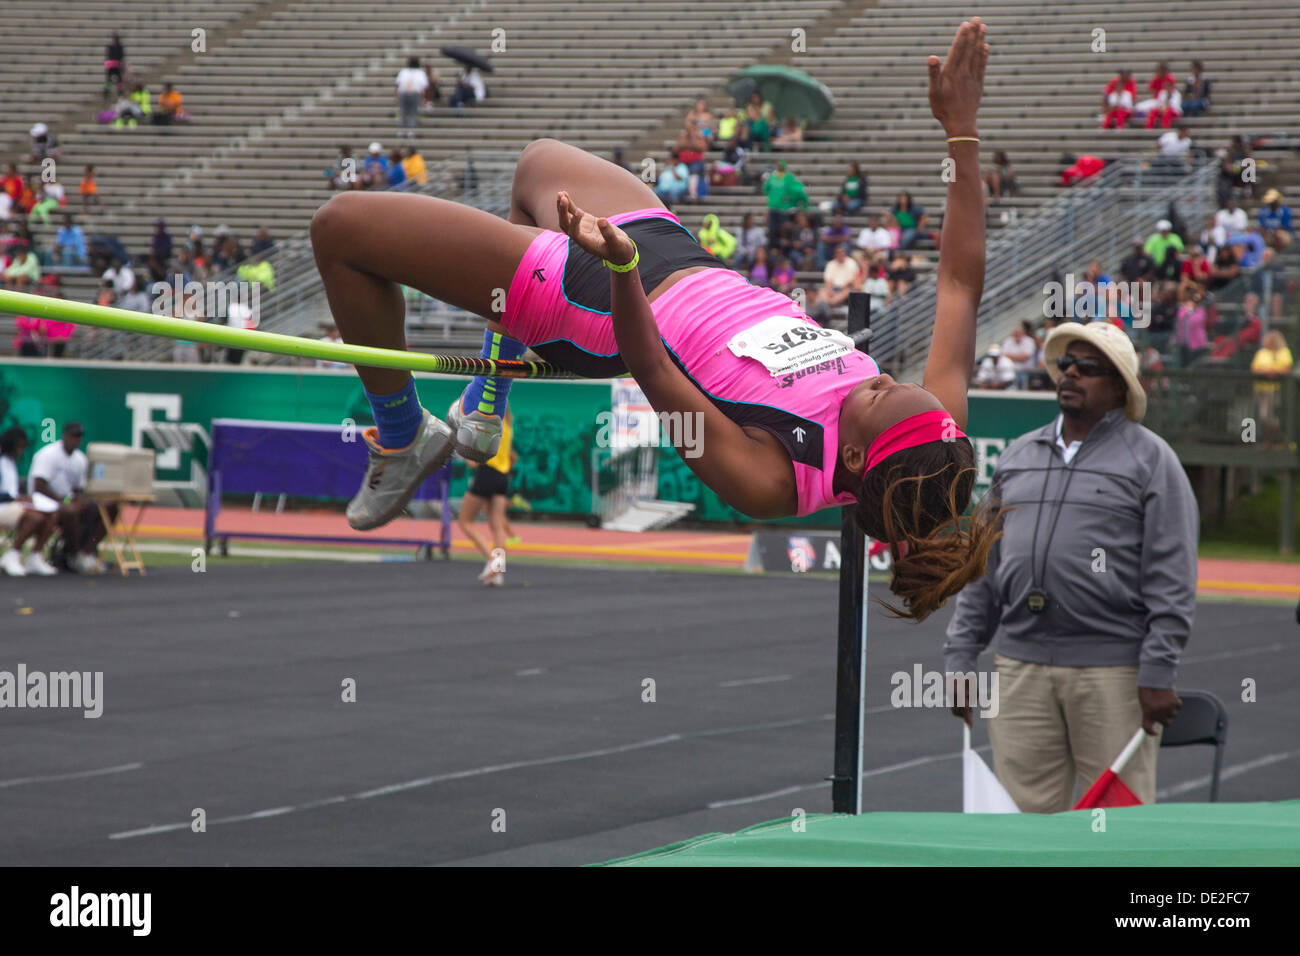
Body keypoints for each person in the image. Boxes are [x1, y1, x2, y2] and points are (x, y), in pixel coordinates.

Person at [308, 19, 998, 621]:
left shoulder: (772, 480)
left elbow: (654, 369)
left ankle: (401, 439)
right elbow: (960, 282)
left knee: (340, 228)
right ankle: (487, 404)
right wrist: (961, 132)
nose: (872, 381)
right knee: (536, 165)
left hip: (600, 301)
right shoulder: (933, 428)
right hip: (679, 255)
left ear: (851, 457)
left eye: (877, 394)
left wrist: (619, 270)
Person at [946, 321, 1197, 812]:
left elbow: (1173, 576)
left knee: (1115, 824)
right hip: (1019, 668)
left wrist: (1159, 670)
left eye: (1089, 368)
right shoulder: (1019, 455)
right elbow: (984, 570)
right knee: (1023, 819)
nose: (1071, 374)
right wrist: (961, 655)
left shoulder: (1153, 461)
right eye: (1066, 364)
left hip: (1114, 674)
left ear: (1120, 385)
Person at [28, 422, 115, 575]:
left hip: (66, 499)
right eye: (73, 436)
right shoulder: (48, 454)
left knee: (108, 507)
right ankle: (74, 555)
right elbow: (39, 486)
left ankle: (86, 553)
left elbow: (77, 490)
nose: (76, 440)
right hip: (43, 500)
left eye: (79, 437)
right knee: (70, 511)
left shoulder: (80, 459)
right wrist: (64, 503)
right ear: (64, 436)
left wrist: (78, 501)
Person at [458, 407, 518, 586]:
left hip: (487, 474)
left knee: (465, 521)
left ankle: (493, 561)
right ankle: (497, 572)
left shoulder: (487, 426)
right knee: (497, 526)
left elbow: (473, 462)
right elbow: (512, 456)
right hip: (502, 477)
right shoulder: (507, 426)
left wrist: (468, 456)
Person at [0, 427, 59, 577]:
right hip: (3, 506)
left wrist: (22, 497)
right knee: (35, 517)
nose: (20, 451)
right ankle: (12, 554)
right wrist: (14, 498)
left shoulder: (10, 463)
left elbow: (12, 490)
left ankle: (35, 556)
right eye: (19, 447)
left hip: (11, 505)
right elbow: (7, 494)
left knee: (51, 515)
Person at [810, 242, 860, 323]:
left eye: (842, 252)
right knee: (821, 292)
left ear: (845, 253)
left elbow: (855, 278)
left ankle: (829, 304)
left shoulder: (851, 263)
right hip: (833, 288)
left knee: (848, 291)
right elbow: (828, 280)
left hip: (846, 288)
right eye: (838, 252)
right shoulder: (831, 264)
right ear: (835, 254)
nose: (840, 254)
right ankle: (829, 304)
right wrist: (830, 290)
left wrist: (845, 285)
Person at [762, 159, 808, 241]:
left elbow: (797, 189)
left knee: (783, 230)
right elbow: (766, 189)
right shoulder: (773, 176)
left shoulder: (788, 177)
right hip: (773, 208)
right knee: (772, 230)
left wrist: (790, 198)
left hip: (783, 209)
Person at [395, 56, 428, 137]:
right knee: (413, 112)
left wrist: (396, 95)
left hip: (403, 93)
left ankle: (401, 131)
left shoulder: (404, 72)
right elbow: (424, 86)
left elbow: (397, 83)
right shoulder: (420, 73)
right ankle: (411, 131)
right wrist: (424, 98)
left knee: (403, 111)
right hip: (415, 93)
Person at [104, 33, 125, 101]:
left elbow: (108, 56)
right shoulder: (118, 47)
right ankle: (110, 91)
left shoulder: (113, 47)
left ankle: (109, 91)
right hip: (115, 64)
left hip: (113, 64)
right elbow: (121, 56)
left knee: (113, 79)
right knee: (116, 79)